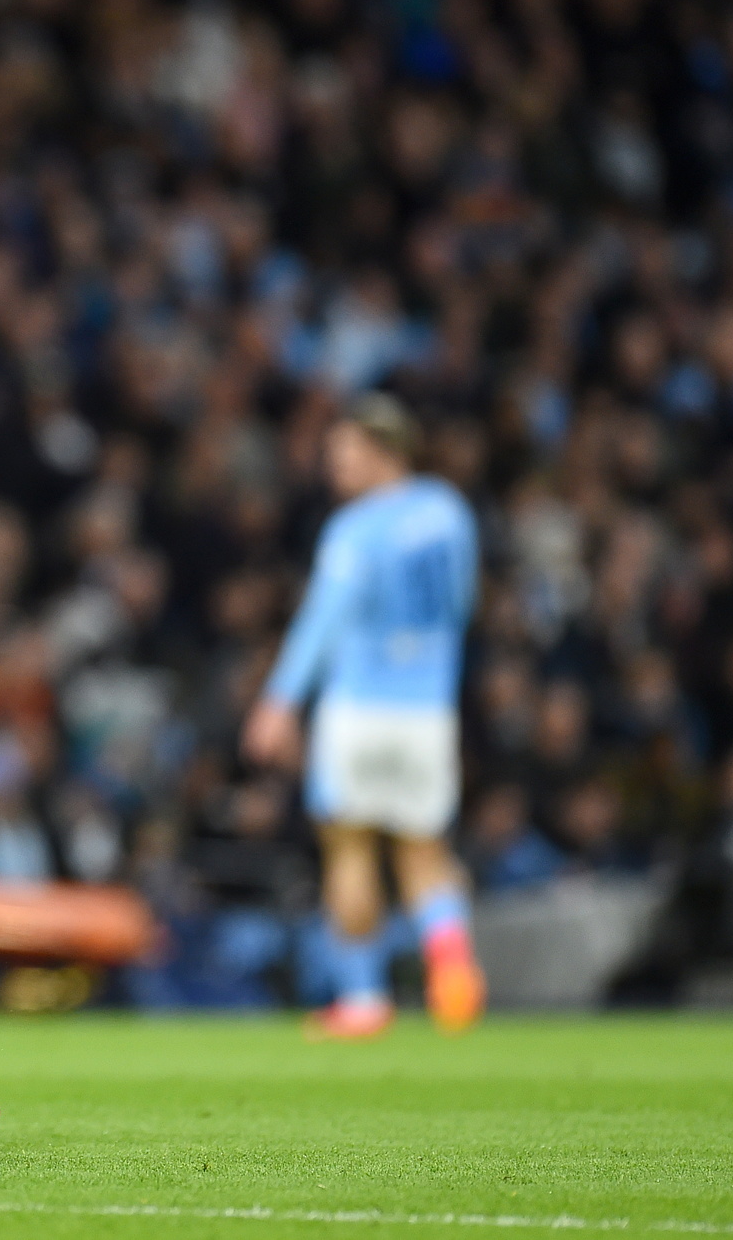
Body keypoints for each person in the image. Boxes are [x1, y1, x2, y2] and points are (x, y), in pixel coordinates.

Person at [241, 394, 486, 1038]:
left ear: (386, 452)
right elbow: (462, 605)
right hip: (428, 710)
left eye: (346, 453)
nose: (335, 467)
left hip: (358, 708)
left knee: (348, 847)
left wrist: (279, 700)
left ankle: (363, 997)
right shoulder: (449, 513)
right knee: (424, 850)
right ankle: (450, 958)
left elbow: (323, 621)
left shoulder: (354, 529)